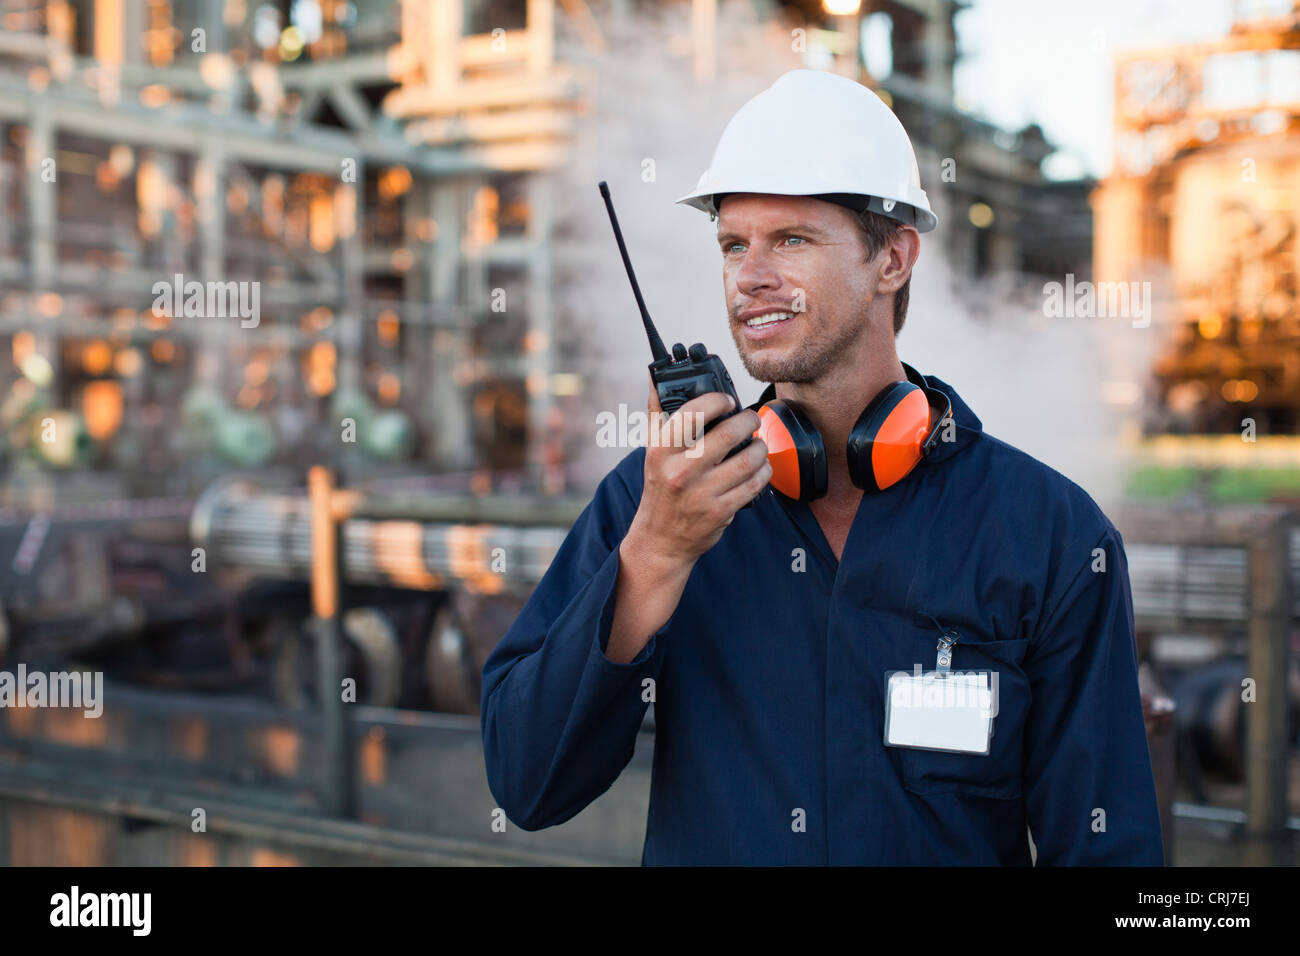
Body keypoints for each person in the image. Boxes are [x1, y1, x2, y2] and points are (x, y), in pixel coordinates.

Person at [481, 69, 1164, 865]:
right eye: (734, 244)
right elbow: (527, 787)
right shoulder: (656, 498)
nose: (750, 276)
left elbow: (1108, 849)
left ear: (894, 259)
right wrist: (657, 557)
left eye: (792, 240)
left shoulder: (1049, 533)